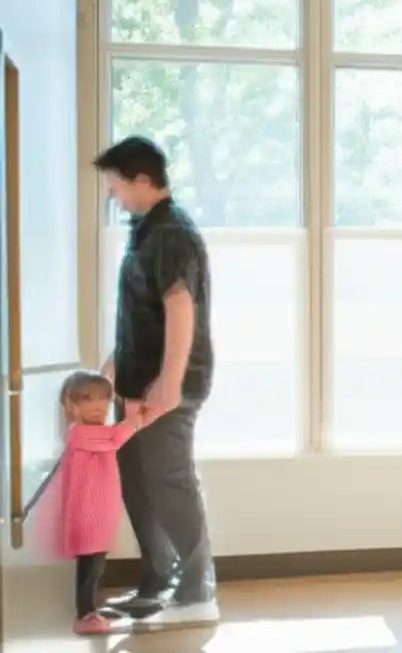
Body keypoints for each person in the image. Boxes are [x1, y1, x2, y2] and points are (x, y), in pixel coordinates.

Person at [93, 136, 220, 627]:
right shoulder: (146, 230)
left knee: (169, 479)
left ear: (145, 182)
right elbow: (140, 312)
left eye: (116, 184)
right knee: (137, 478)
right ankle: (157, 581)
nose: (112, 194)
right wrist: (111, 367)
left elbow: (178, 305)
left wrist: (169, 382)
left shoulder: (171, 232)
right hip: (137, 378)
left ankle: (196, 591)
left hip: (168, 384)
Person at [46, 372, 148, 635]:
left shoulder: (95, 432)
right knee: (90, 565)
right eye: (88, 399)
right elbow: (115, 438)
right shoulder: (79, 434)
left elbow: (114, 435)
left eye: (104, 398)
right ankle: (84, 615)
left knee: (97, 562)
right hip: (87, 513)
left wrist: (136, 418)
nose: (99, 405)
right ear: (71, 406)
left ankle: (91, 608)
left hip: (101, 511)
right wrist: (138, 419)